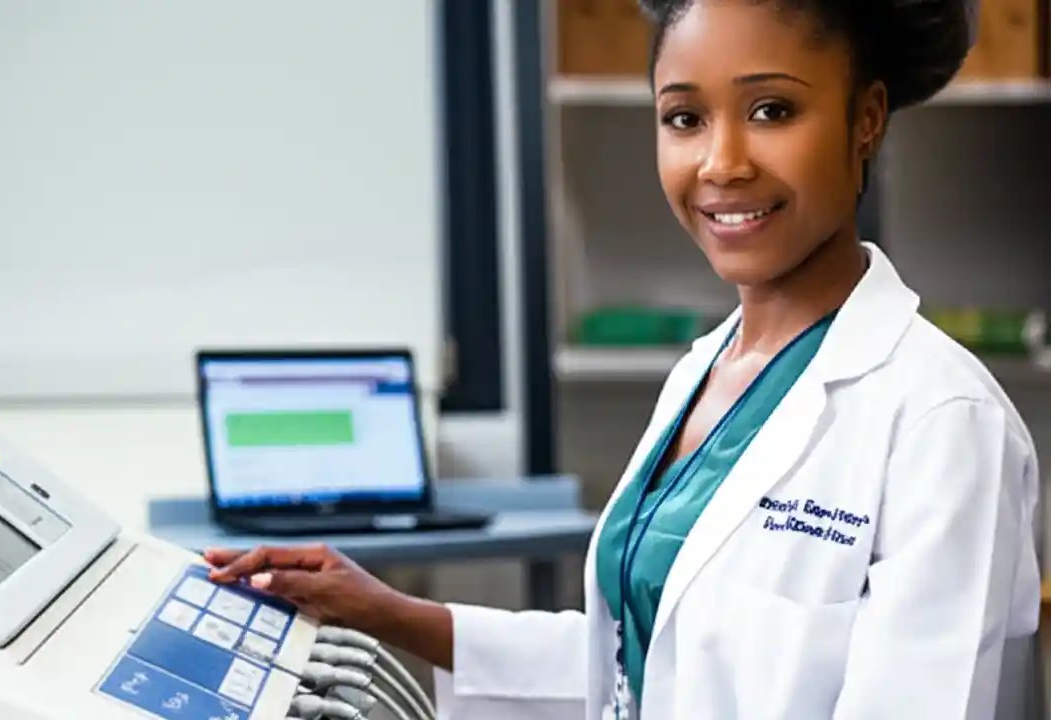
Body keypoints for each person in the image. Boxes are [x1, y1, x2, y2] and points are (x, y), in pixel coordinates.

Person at [206, 0, 1042, 717]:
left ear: (866, 118)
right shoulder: (704, 374)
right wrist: (387, 611)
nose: (721, 163)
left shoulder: (939, 420)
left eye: (772, 111)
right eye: (684, 117)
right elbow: (643, 655)